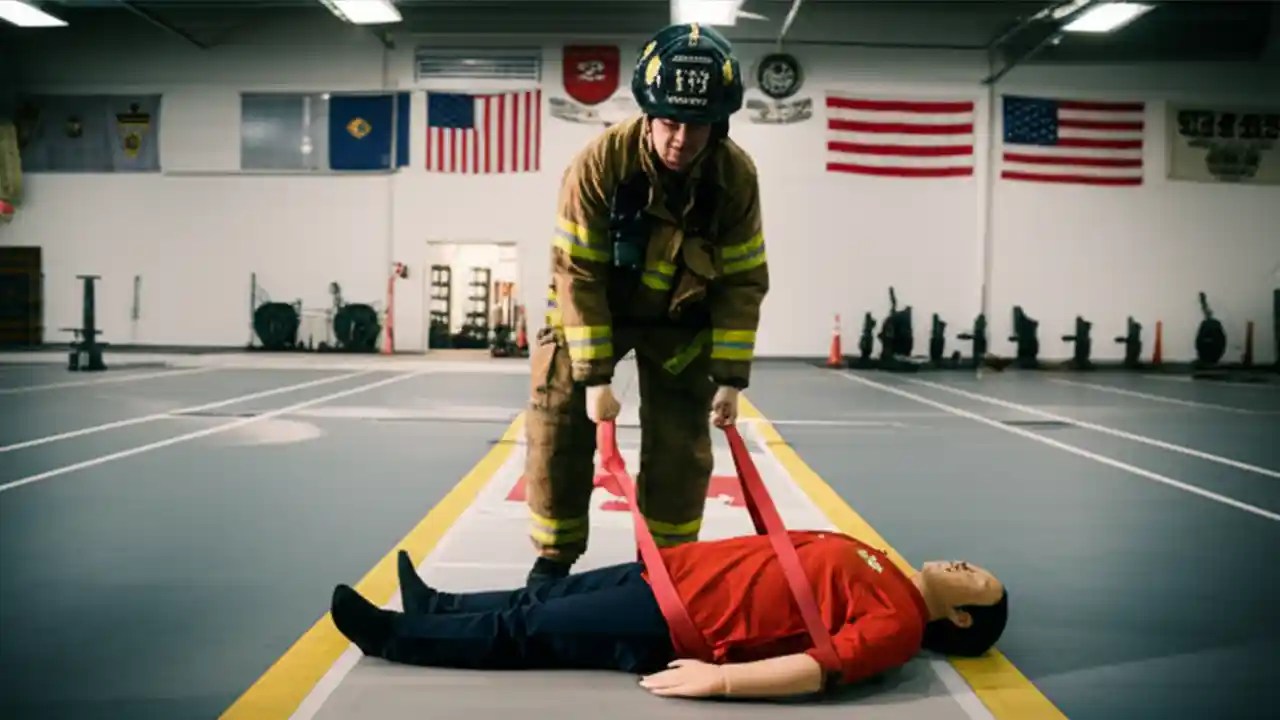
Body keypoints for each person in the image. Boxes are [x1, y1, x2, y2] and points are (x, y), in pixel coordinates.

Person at [523, 22, 769, 584]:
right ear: (648, 114)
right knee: (558, 422)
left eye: (699, 126)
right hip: (593, 310)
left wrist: (730, 378)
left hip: (680, 322)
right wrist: (594, 377)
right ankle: (552, 562)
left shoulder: (735, 177)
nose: (682, 139)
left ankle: (667, 567)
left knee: (682, 442)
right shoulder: (599, 165)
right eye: (669, 122)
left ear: (720, 123)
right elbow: (577, 273)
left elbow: (742, 279)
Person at [329, 531, 1009, 700]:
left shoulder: (898, 627)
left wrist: (722, 682)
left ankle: (394, 635)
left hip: (685, 620)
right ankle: (435, 605)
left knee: (529, 631)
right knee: (541, 598)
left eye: (975, 580)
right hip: (678, 575)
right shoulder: (885, 564)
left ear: (964, 622)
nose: (963, 565)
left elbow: (822, 668)